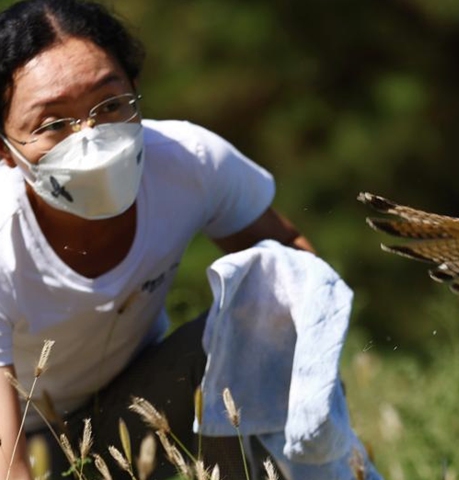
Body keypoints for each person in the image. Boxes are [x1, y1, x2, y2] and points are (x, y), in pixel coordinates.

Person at [0, 0, 320, 478]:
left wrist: (318, 408)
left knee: (249, 324)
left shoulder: (188, 161)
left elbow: (294, 266)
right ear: (5, 149)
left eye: (109, 105)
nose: (89, 136)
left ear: (135, 91)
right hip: (27, 442)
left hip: (135, 412)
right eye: (51, 124)